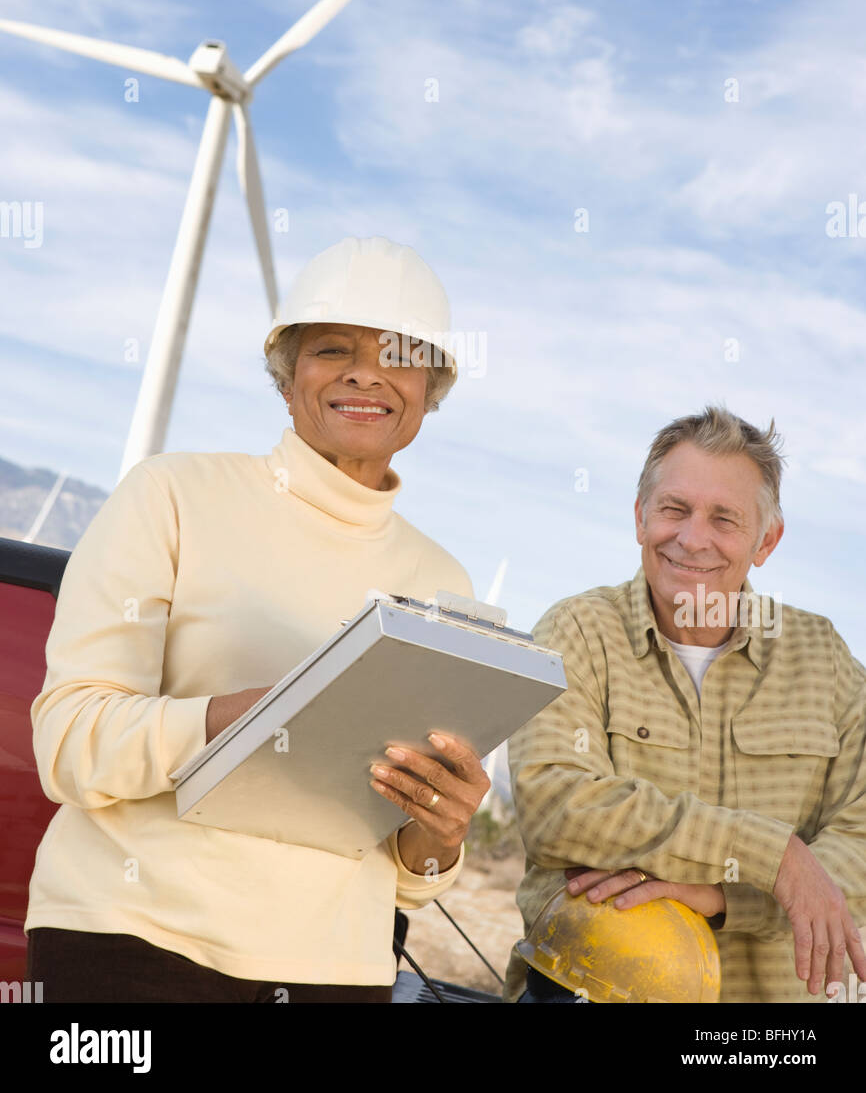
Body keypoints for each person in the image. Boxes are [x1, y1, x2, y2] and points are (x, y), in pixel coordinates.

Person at [25, 234, 489, 1003]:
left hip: (335, 975)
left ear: (431, 388)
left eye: (399, 355)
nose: (365, 372)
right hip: (131, 945)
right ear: (287, 376)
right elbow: (70, 745)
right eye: (332, 348)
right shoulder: (170, 495)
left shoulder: (442, 582)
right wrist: (236, 720)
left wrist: (441, 833)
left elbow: (406, 880)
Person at [505, 405, 866, 1003]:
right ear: (641, 517)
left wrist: (726, 898)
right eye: (674, 509)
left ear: (765, 541)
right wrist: (775, 857)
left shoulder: (822, 655)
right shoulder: (578, 630)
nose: (692, 538)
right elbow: (555, 805)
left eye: (724, 519)